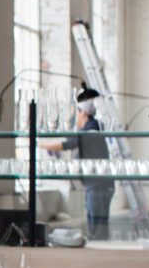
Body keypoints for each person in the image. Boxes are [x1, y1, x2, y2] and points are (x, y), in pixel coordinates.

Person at [41, 95, 115, 239]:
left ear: (82, 113)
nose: (75, 118)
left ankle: (99, 254)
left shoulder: (90, 129)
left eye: (76, 113)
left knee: (97, 226)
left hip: (97, 185)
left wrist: (43, 145)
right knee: (99, 224)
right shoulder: (95, 129)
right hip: (102, 184)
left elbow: (68, 144)